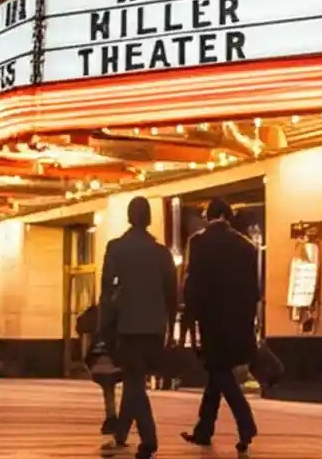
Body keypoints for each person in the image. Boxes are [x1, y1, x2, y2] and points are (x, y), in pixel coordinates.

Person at [99, 196, 177, 459]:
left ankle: (149, 438)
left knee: (134, 383)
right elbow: (172, 294)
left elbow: (107, 291)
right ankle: (121, 432)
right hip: (155, 327)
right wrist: (172, 326)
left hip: (127, 325)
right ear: (149, 219)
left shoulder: (116, 248)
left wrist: (104, 326)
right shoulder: (162, 253)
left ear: (130, 218)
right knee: (135, 380)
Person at [179, 199, 260, 454]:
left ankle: (246, 424)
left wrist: (188, 323)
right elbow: (254, 291)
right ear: (228, 216)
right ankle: (204, 429)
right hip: (238, 323)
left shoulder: (198, 242)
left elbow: (192, 286)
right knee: (217, 373)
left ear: (209, 216)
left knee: (219, 371)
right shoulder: (247, 247)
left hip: (211, 320)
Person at [78, 302, 122, 435]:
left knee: (108, 390)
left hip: (97, 364)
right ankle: (119, 419)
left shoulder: (97, 310)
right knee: (130, 386)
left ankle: (111, 416)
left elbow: (80, 324)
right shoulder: (121, 310)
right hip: (114, 362)